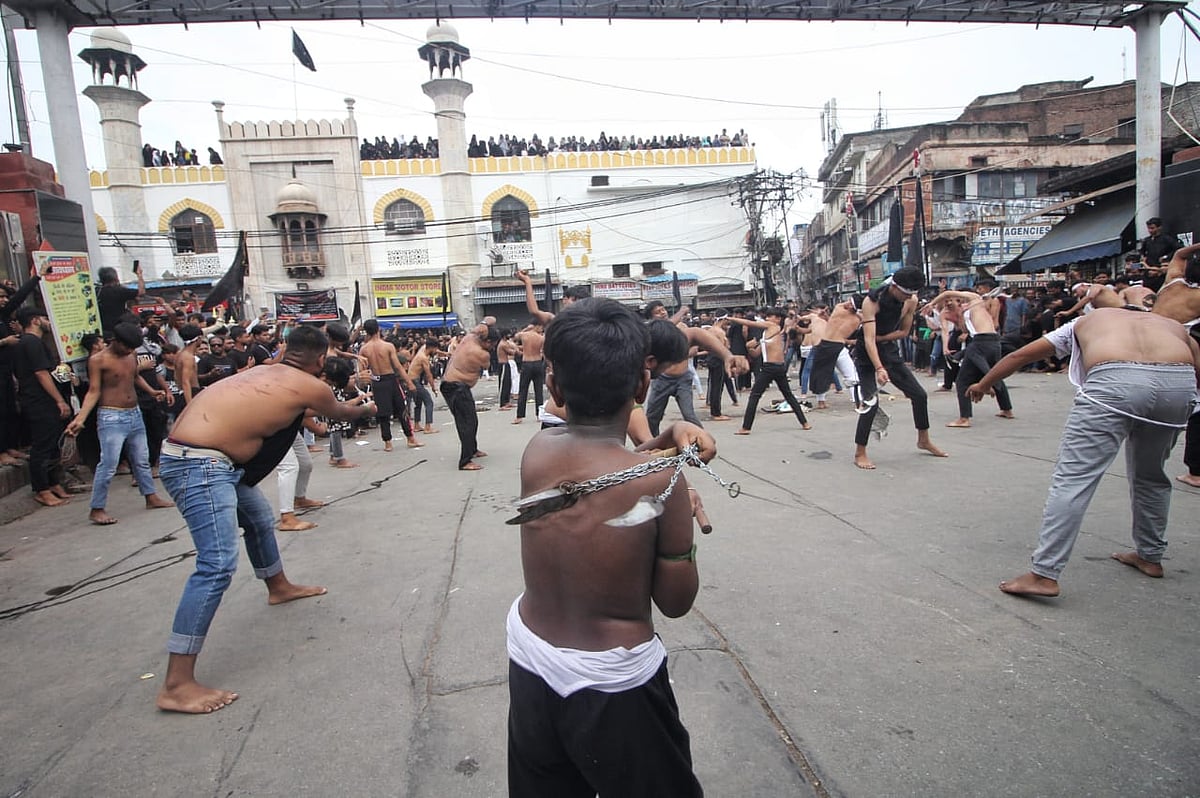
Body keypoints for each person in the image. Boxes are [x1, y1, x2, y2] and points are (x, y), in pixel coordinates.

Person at [508, 297, 705, 797]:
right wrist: (678, 533)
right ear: (643, 384)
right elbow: (676, 603)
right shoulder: (661, 482)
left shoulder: (539, 450)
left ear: (553, 385)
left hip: (531, 655)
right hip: (613, 679)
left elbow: (604, 471)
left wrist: (663, 438)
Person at [155, 325, 376, 713]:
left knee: (257, 516)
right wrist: (369, 407)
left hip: (203, 460)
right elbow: (339, 412)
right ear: (321, 360)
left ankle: (278, 586)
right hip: (201, 465)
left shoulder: (264, 371)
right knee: (217, 565)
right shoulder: (310, 385)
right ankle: (177, 683)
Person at [968, 307, 1199, 597]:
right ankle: (1150, 555)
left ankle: (1044, 573)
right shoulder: (1170, 323)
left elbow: (1020, 356)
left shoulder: (1084, 321)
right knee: (1151, 475)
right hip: (1177, 383)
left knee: (1074, 479)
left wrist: (983, 383)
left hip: (1114, 380)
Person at [65, 322, 174, 524]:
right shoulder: (98, 360)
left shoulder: (130, 355)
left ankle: (150, 496)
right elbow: (94, 391)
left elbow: (134, 377)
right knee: (108, 463)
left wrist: (152, 391)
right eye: (127, 347)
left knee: (142, 459)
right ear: (115, 341)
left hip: (134, 413)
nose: (130, 351)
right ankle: (96, 508)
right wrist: (80, 418)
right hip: (111, 415)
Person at [851, 268, 947, 470]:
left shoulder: (910, 300)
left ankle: (923, 439)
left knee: (919, 395)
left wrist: (883, 340)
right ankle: (860, 452)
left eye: (911, 294)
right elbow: (869, 339)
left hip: (888, 349)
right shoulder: (872, 301)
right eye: (904, 293)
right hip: (866, 353)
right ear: (893, 286)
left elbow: (903, 332)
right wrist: (878, 368)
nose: (908, 297)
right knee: (871, 402)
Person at [923, 290, 1014, 428]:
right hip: (992, 342)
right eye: (948, 302)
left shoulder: (975, 300)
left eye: (953, 300)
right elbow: (961, 330)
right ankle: (1006, 409)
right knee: (994, 374)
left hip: (981, 342)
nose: (949, 302)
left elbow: (947, 292)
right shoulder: (960, 312)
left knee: (962, 381)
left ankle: (964, 419)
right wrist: (946, 345)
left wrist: (932, 303)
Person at [13, 306, 74, 506]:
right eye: (45, 318)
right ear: (36, 320)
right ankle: (41, 488)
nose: (49, 322)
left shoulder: (37, 343)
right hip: (38, 401)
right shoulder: (30, 343)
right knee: (43, 444)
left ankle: (54, 482)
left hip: (45, 400)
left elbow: (51, 372)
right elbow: (41, 374)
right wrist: (59, 400)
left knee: (54, 443)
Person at [729, 307, 810, 435]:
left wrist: (731, 318)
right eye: (767, 316)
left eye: (770, 316)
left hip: (771, 367)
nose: (767, 318)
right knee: (788, 395)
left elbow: (751, 323)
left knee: (755, 396)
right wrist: (749, 348)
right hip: (775, 367)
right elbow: (756, 353)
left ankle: (746, 427)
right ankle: (804, 423)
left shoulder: (774, 327)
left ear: (777, 319)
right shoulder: (767, 333)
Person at [440, 324, 499, 470]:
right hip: (457, 388)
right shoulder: (482, 354)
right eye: (492, 345)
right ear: (488, 341)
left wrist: (483, 326)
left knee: (471, 420)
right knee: (466, 423)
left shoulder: (469, 338)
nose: (492, 348)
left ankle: (472, 449)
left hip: (452, 385)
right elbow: (486, 366)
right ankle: (465, 461)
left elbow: (489, 320)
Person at [359, 319, 422, 452]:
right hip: (390, 379)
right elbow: (398, 367)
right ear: (378, 329)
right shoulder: (387, 346)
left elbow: (363, 370)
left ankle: (388, 443)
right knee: (402, 410)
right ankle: (410, 438)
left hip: (376, 381)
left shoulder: (364, 349)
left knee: (383, 413)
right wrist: (409, 382)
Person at [96, 264, 152, 335]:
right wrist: (139, 274)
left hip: (103, 330)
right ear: (115, 277)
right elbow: (141, 292)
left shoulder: (97, 291)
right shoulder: (119, 291)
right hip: (119, 331)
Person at [511, 323, 546, 425]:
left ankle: (519, 416)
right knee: (538, 390)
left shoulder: (524, 335)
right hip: (538, 362)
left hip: (527, 363)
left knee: (523, 390)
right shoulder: (541, 338)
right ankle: (539, 414)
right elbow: (543, 352)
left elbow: (515, 337)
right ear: (537, 326)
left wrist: (526, 328)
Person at [406, 337, 441, 434]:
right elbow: (428, 375)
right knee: (429, 402)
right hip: (415, 381)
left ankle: (416, 425)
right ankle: (428, 427)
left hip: (411, 380)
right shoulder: (423, 358)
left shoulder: (422, 351)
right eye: (435, 349)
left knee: (418, 403)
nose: (435, 351)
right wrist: (434, 388)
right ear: (432, 348)